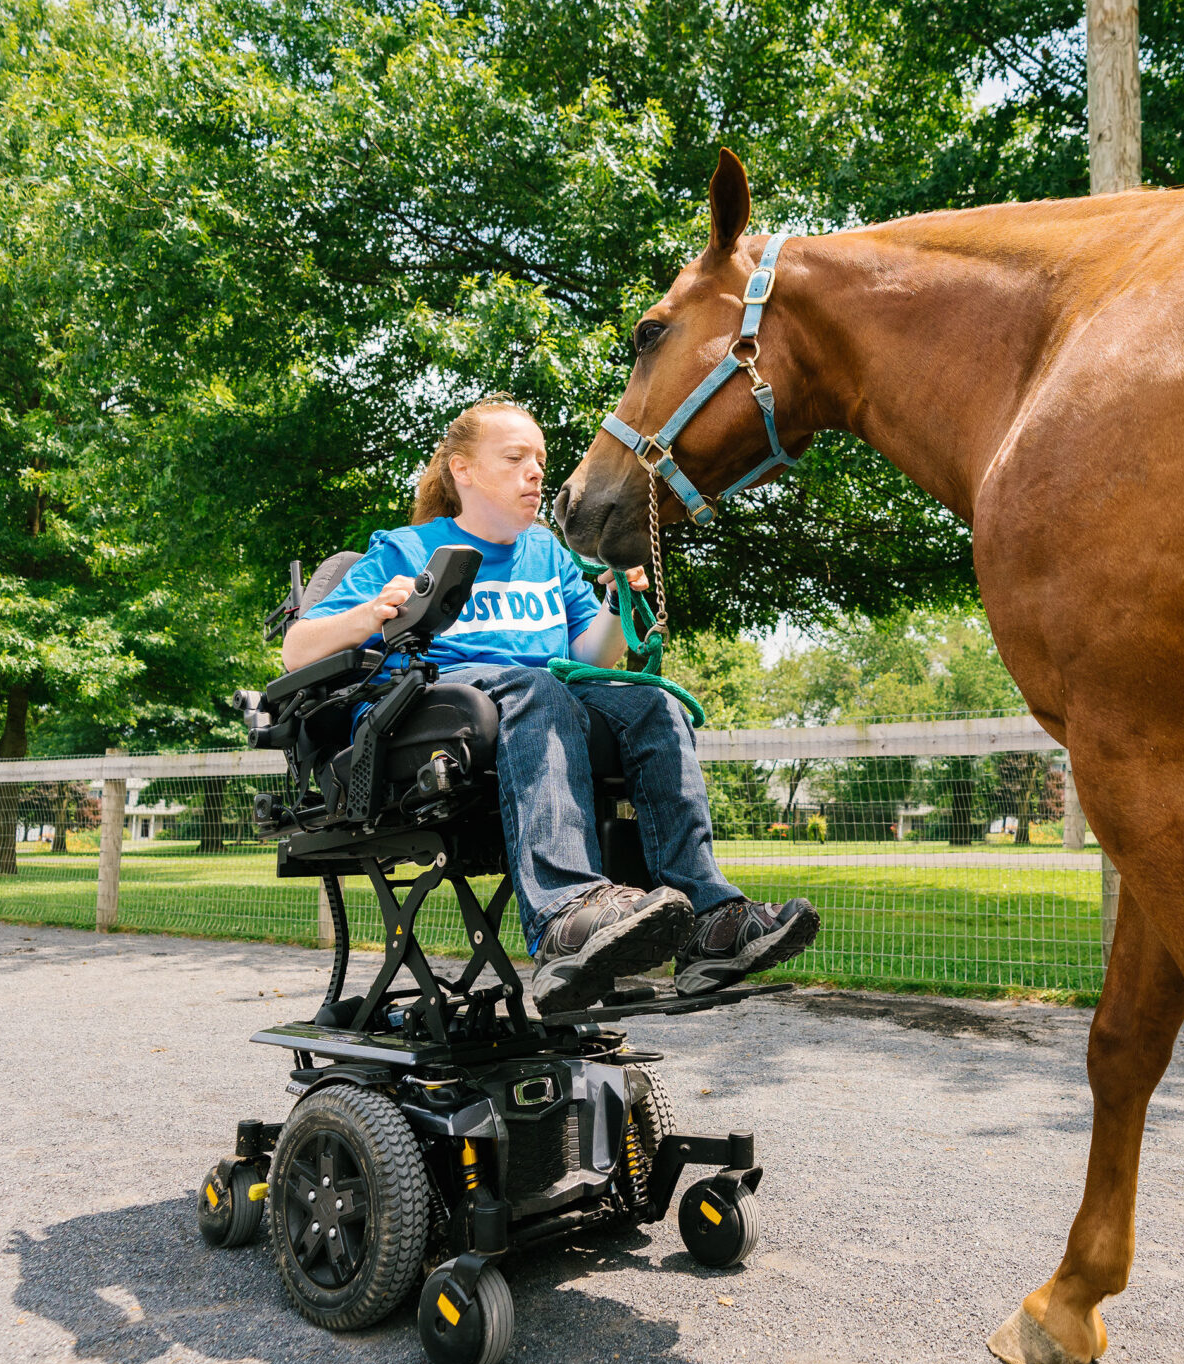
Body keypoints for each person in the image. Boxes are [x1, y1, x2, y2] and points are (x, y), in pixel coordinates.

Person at [281, 399, 819, 1013]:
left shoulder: (548, 554)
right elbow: (298, 650)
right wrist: (372, 613)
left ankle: (707, 918)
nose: (536, 472)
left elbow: (592, 654)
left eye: (539, 459)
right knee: (537, 688)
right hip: (436, 711)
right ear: (462, 470)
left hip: (540, 700)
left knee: (651, 704)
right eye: (515, 458)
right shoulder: (407, 550)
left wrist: (615, 602)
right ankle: (565, 913)